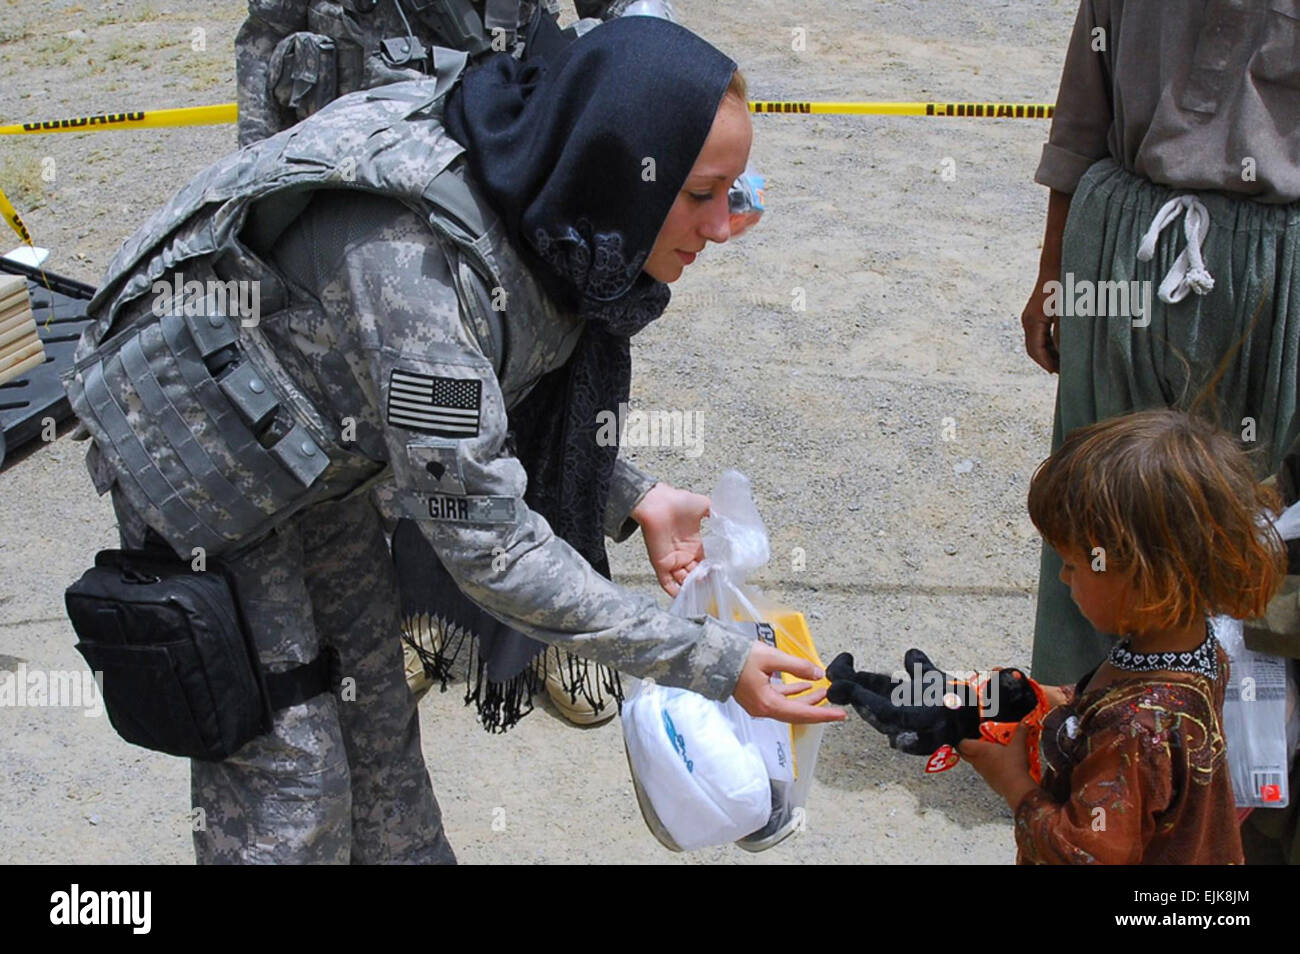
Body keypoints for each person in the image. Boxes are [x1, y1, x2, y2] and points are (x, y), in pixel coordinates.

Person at [64, 16, 842, 864]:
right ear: (622, 166)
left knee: (378, 732)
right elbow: (491, 548)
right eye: (702, 195)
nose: (726, 225)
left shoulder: (550, 204)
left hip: (320, 451)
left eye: (737, 190)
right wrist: (707, 659)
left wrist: (633, 495)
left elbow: (467, 421)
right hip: (204, 470)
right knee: (293, 778)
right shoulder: (418, 275)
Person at [962, 409, 1285, 864]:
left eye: (1074, 564)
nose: (1062, 577)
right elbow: (1117, 692)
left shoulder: (1134, 731)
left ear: (1147, 578)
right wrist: (1049, 699)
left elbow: (1085, 854)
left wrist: (1012, 781)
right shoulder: (1191, 647)